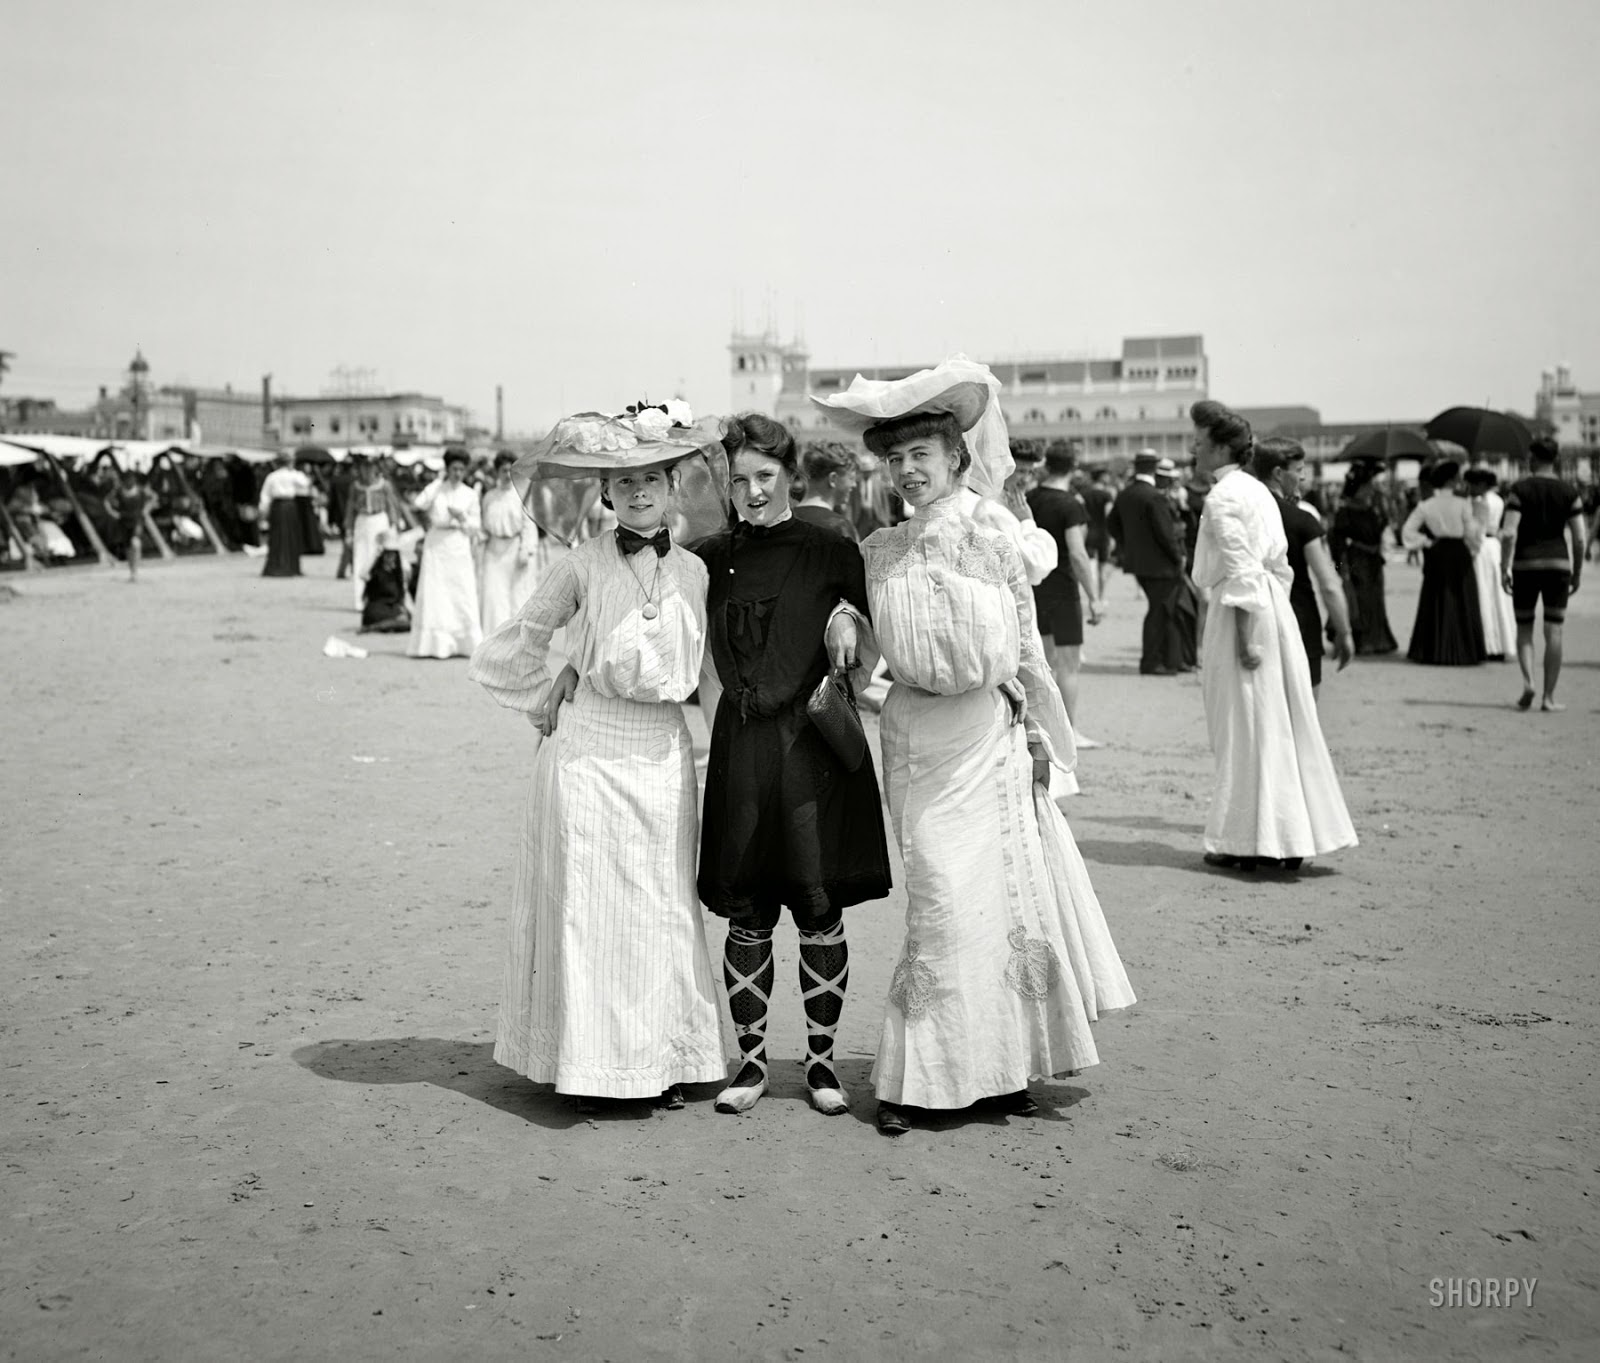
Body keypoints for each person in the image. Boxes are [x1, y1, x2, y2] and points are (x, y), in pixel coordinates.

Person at [811, 358, 1134, 1135]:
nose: (907, 470)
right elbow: (866, 644)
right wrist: (844, 621)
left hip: (989, 737)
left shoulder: (995, 532)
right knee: (939, 900)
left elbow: (1024, 645)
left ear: (957, 456)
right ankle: (919, 1079)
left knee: (996, 905)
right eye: (895, 458)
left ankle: (999, 1069)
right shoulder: (879, 549)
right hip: (917, 740)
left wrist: (1039, 735)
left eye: (921, 454)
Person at [468, 409, 725, 1112]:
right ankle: (592, 1066)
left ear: (673, 487)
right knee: (590, 908)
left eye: (652, 479)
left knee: (660, 903)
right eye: (624, 481)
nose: (639, 492)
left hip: (662, 750)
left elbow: (709, 671)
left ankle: (662, 1060)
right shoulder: (581, 563)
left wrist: (731, 751)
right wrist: (555, 687)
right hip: (588, 752)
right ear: (605, 491)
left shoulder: (697, 570)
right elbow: (517, 638)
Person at [693, 412, 894, 1117]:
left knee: (817, 910)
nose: (751, 491)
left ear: (790, 475)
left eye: (765, 476)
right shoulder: (706, 557)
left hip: (812, 755)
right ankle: (750, 1064)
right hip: (741, 749)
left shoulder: (831, 550)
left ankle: (820, 1064)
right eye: (738, 479)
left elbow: (877, 635)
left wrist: (846, 616)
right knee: (746, 912)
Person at [1190, 399, 1356, 872]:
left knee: (1243, 724)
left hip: (1242, 612)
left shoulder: (1224, 497)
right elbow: (1277, 567)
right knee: (1278, 722)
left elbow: (1242, 570)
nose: (1194, 450)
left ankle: (1249, 840)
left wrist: (1246, 636)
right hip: (1272, 608)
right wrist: (1272, 615)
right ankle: (1282, 835)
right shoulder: (1258, 491)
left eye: (1200, 443)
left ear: (1220, 448)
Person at [1253, 437, 1354, 698]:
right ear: (1278, 473)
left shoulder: (1244, 514)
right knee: (1303, 709)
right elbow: (1329, 583)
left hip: (1253, 621)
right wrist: (1344, 631)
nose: (1303, 477)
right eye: (1298, 470)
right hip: (1298, 617)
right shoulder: (1303, 518)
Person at [1026, 441, 1105, 746]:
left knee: (1045, 663)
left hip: (1036, 587)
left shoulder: (1030, 497)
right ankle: (1068, 732)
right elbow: (1078, 554)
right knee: (1069, 665)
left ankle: (1045, 726)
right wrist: (1094, 597)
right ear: (1074, 466)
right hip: (1063, 588)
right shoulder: (1070, 504)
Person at [1500, 436, 1586, 711]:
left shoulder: (1519, 490)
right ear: (1556, 459)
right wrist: (1577, 573)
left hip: (1525, 565)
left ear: (1532, 459)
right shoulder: (1569, 491)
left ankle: (1529, 682)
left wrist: (1504, 566)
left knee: (1525, 628)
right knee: (1554, 630)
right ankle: (1548, 697)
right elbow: (1580, 538)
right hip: (1558, 565)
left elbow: (1509, 532)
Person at [1108, 448, 1189, 674]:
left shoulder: (1126, 493)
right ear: (1154, 468)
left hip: (1138, 563)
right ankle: (1151, 661)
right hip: (1161, 565)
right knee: (1159, 612)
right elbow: (1165, 533)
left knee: (1159, 610)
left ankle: (1168, 659)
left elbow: (1112, 523)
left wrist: (1128, 545)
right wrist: (1178, 556)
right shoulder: (1154, 496)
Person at [1400, 460, 1486, 666]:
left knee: (1437, 598)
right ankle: (1464, 650)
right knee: (1461, 599)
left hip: (1438, 552)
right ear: (1452, 480)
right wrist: (1474, 545)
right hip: (1458, 552)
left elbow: (1407, 531)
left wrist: (1426, 542)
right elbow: (1472, 532)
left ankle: (1433, 650)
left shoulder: (1426, 504)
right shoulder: (1462, 503)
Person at [406, 449, 483, 660]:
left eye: (461, 469)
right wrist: (436, 484)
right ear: (447, 469)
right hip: (436, 546)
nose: (457, 473)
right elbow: (418, 503)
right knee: (435, 592)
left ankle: (465, 643)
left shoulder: (470, 494)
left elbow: (476, 527)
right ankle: (434, 645)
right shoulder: (436, 490)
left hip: (458, 544)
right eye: (453, 469)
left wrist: (462, 517)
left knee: (461, 592)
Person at [1328, 459, 1399, 655]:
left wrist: (1385, 509)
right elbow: (1337, 542)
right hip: (1356, 562)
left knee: (1375, 600)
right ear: (1357, 488)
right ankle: (1359, 640)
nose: (1370, 489)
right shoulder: (1345, 512)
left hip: (1374, 561)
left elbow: (1380, 531)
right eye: (1367, 486)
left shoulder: (1373, 510)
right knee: (1359, 600)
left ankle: (1377, 639)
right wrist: (1340, 568)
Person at [478, 452, 541, 634]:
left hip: (515, 549)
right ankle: (495, 637)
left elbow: (529, 526)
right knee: (493, 596)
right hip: (493, 551)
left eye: (509, 470)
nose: (506, 474)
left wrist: (526, 549)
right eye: (502, 470)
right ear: (496, 472)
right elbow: (484, 525)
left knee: (517, 596)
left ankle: (515, 639)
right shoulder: (489, 497)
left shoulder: (521, 495)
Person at [1462, 467, 1517, 662]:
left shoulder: (1479, 502)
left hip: (1481, 548)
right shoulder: (1499, 500)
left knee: (1482, 594)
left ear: (1481, 484)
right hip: (1494, 547)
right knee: (1498, 597)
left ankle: (1486, 642)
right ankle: (1502, 642)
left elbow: (1476, 530)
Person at [344, 458, 407, 611]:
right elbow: (350, 508)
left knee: (379, 558)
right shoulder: (356, 486)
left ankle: (380, 596)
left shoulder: (384, 485)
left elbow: (391, 505)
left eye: (370, 467)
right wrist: (348, 530)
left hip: (379, 520)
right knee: (360, 558)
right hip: (362, 520)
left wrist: (393, 526)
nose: (367, 471)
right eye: (364, 467)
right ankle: (360, 599)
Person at [792, 443, 861, 541]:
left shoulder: (782, 521)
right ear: (833, 479)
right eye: (851, 478)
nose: (854, 485)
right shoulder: (839, 527)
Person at [258, 450, 310, 577]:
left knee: (277, 536)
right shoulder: (293, 475)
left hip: (278, 507)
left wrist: (263, 510)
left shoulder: (272, 476)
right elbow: (305, 483)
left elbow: (265, 495)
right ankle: (291, 566)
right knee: (291, 536)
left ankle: (277, 565)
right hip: (289, 507)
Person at [358, 530, 412, 633]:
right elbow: (362, 574)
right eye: (387, 554)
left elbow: (404, 596)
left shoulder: (398, 574)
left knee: (407, 622)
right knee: (401, 621)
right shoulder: (376, 572)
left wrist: (412, 612)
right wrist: (376, 554)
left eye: (393, 554)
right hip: (376, 610)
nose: (390, 557)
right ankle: (381, 626)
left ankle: (377, 627)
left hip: (392, 609)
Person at [104, 469, 153, 582]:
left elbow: (152, 498)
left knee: (135, 543)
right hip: (124, 522)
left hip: (137, 521)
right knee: (128, 548)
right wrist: (113, 513)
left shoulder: (140, 490)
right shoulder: (119, 491)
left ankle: (136, 568)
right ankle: (133, 572)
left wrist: (146, 510)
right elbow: (107, 501)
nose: (130, 481)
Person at [1081, 464, 1114, 600]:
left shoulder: (1084, 494)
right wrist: (1112, 536)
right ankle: (1101, 597)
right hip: (1102, 534)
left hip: (1088, 533)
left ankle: (1091, 596)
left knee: (1088, 566)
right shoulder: (1107, 495)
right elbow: (1108, 516)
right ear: (1102, 477)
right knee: (1102, 568)